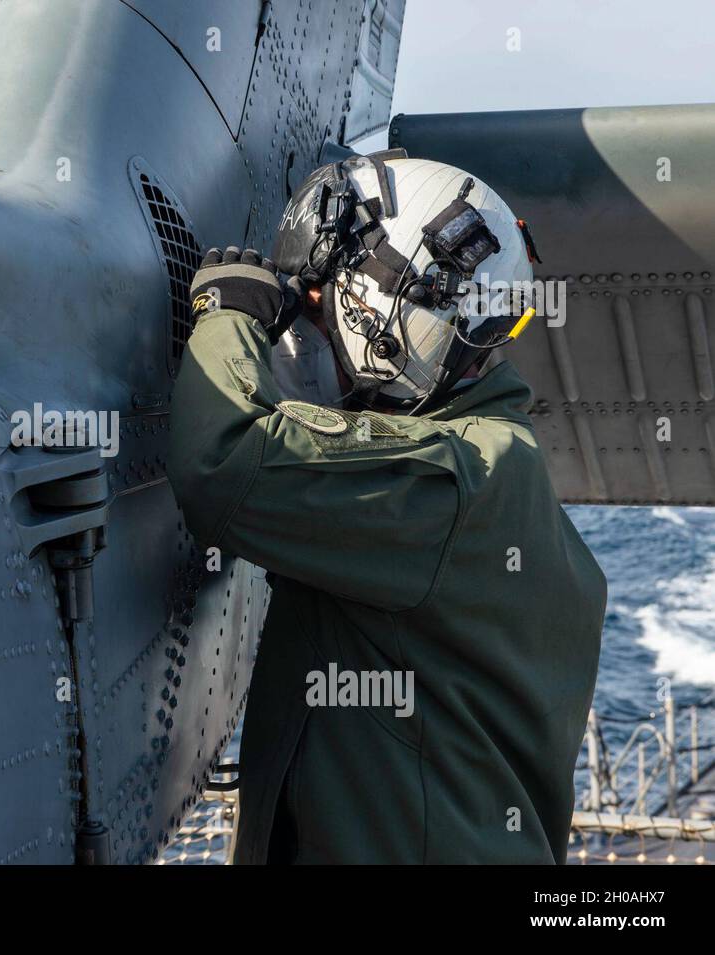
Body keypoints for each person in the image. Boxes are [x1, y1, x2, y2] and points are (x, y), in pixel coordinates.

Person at [168, 155, 606, 863]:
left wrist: (227, 321)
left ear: (395, 331)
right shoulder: (499, 466)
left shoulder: (452, 485)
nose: (300, 315)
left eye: (313, 297)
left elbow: (225, 465)